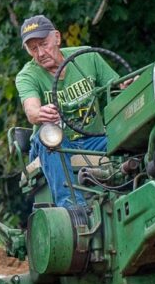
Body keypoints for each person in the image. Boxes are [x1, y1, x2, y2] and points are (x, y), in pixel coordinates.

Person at [15, 15, 119, 208]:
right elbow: (31, 109)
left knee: (125, 134)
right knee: (49, 136)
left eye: (44, 44)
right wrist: (39, 113)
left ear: (57, 38)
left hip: (93, 141)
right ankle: (72, 209)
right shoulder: (27, 75)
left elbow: (117, 89)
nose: (40, 53)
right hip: (53, 145)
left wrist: (130, 84)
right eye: (33, 48)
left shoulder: (87, 56)